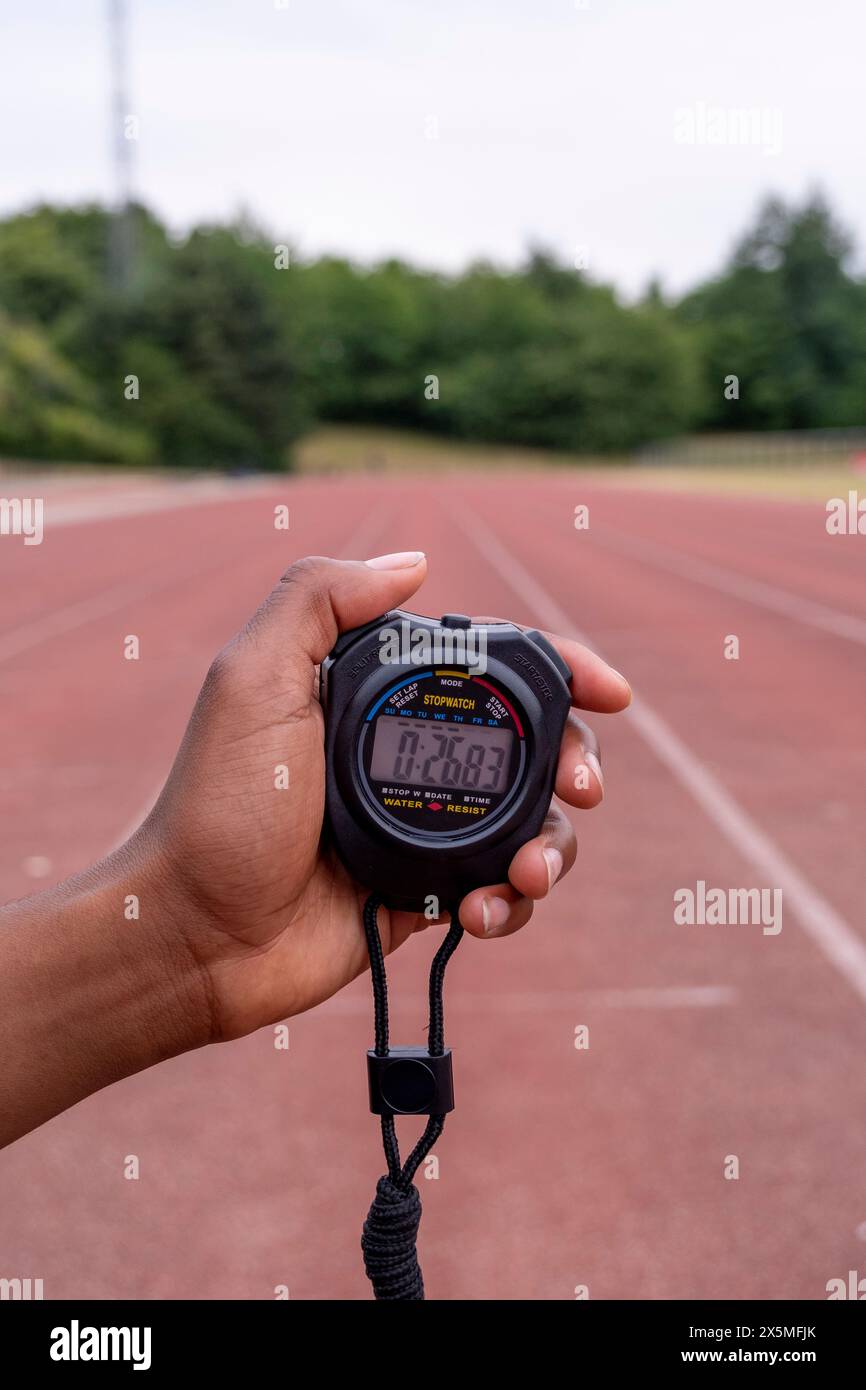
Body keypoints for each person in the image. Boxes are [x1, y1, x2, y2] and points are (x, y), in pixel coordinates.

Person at [0, 552, 631, 1151]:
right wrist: (191, 931)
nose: (438, 766)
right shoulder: (514, 675)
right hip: (365, 854)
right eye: (418, 747)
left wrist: (188, 941)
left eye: (463, 756)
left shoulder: (373, 661)